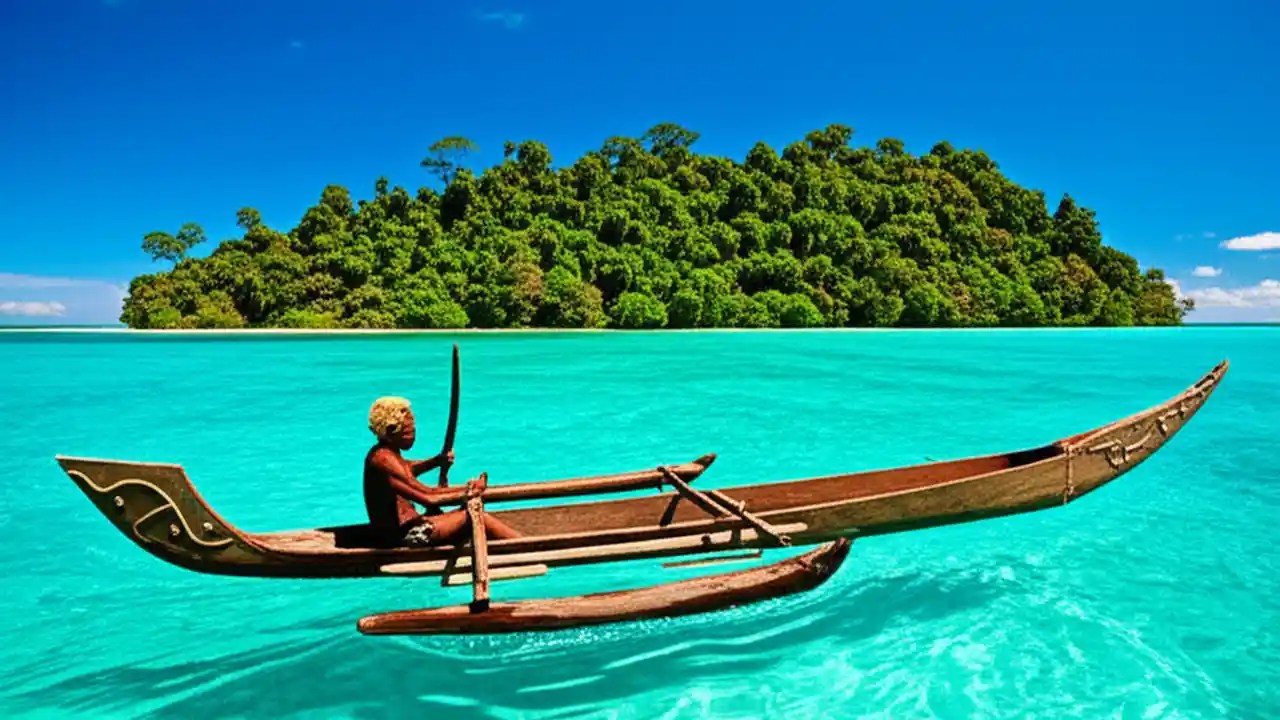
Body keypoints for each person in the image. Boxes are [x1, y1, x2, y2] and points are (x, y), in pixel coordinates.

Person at [363, 396, 521, 547]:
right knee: (475, 518)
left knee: (466, 510)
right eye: (408, 430)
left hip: (411, 526)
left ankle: (517, 544)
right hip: (407, 536)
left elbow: (407, 468)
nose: (413, 433)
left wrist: (437, 461)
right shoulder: (383, 460)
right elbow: (429, 497)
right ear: (391, 430)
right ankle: (525, 546)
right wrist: (470, 491)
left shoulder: (388, 454)